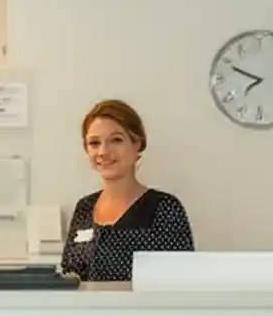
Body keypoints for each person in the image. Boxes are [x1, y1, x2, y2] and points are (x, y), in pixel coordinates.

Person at [60, 99, 194, 281]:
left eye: (116, 140)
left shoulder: (164, 209)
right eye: (94, 143)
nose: (103, 151)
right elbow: (68, 276)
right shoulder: (84, 208)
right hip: (86, 310)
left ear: (137, 144)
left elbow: (182, 280)